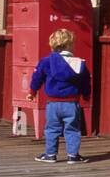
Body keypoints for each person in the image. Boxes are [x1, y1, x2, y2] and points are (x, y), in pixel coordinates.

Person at [28, 28, 91, 164]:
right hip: (72, 104)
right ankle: (73, 156)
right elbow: (86, 81)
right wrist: (86, 95)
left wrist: (32, 92)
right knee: (72, 129)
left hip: (53, 104)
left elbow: (37, 77)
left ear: (53, 45)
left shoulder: (46, 62)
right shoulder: (79, 63)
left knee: (51, 129)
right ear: (69, 45)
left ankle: (50, 155)